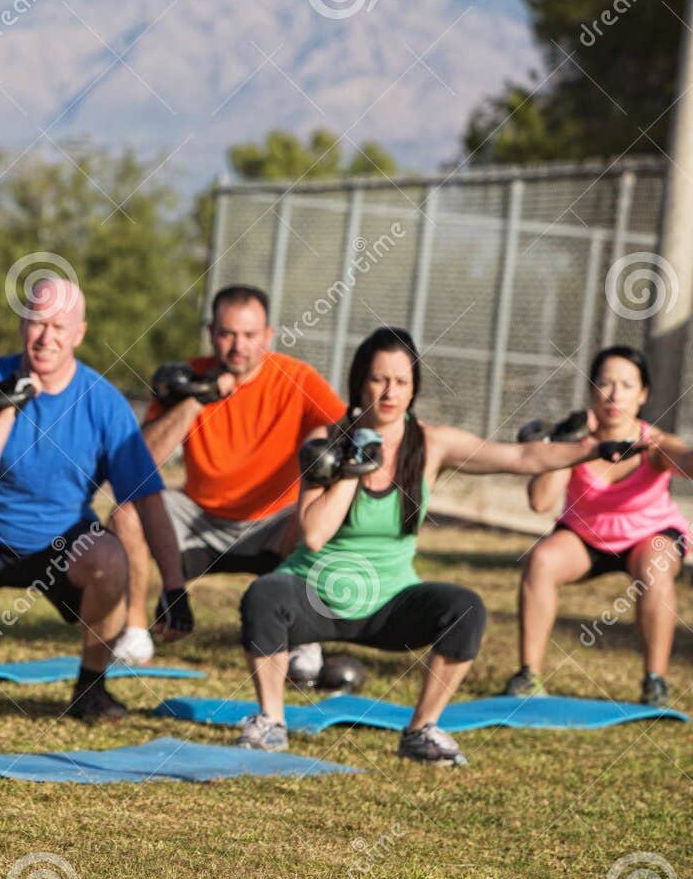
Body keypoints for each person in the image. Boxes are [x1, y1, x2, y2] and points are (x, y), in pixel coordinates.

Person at [235, 327, 637, 766]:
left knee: (464, 607)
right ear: (359, 383)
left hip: (389, 602)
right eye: (379, 380)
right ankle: (271, 721)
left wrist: (592, 450)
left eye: (402, 382)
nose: (389, 392)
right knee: (265, 593)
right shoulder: (326, 440)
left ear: (414, 389)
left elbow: (520, 458)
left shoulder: (430, 443)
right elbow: (312, 534)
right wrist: (354, 468)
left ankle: (421, 730)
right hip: (313, 595)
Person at [0, 277, 191, 722]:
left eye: (59, 327)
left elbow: (147, 501)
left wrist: (176, 586)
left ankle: (90, 689)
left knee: (113, 559)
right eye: (36, 323)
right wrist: (8, 407)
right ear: (22, 325)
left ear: (79, 334)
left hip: (60, 540)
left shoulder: (103, 403)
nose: (46, 337)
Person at [110, 284, 345, 672]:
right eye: (227, 334)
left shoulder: (298, 378)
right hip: (200, 516)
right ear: (211, 334)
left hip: (274, 523)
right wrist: (196, 399)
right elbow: (142, 461)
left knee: (323, 516)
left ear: (267, 336)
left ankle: (305, 638)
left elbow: (342, 434)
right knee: (125, 512)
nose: (239, 346)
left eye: (250, 335)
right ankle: (137, 630)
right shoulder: (187, 378)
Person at [507, 346, 692, 707]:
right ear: (591, 390)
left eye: (626, 385)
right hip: (585, 537)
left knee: (654, 565)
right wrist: (565, 446)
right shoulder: (576, 440)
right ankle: (528, 675)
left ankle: (655, 682)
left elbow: (684, 460)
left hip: (648, 536)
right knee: (542, 560)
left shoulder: (653, 444)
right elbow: (541, 502)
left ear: (643, 394)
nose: (614, 394)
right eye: (605, 384)